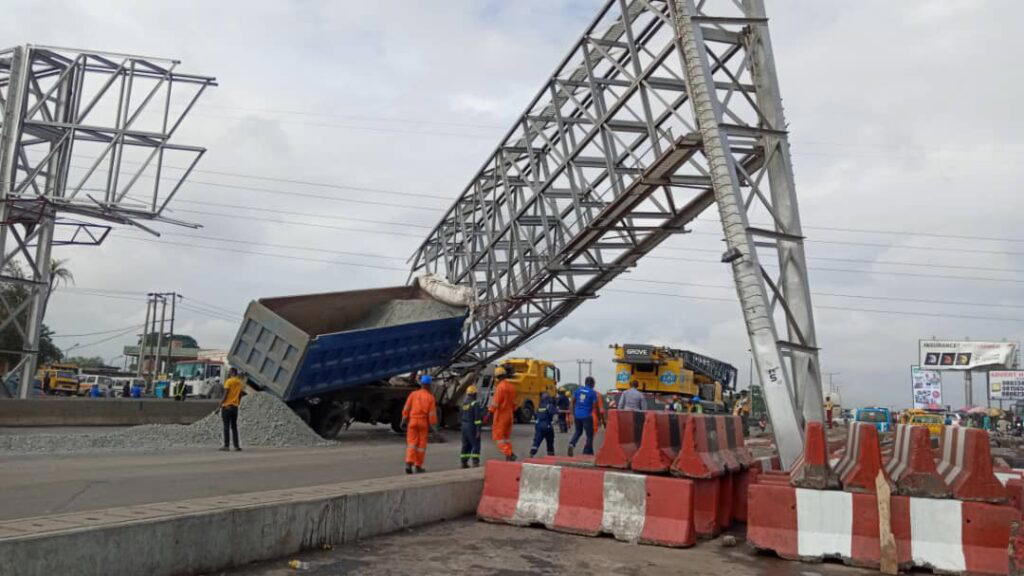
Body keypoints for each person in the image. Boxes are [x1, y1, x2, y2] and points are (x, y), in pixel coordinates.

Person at [402, 374, 439, 474]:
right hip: (423, 423)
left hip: (413, 422)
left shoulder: (413, 394)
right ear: (429, 385)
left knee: (411, 444)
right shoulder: (430, 397)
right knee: (421, 446)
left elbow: (407, 407)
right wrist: (434, 427)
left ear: (421, 384)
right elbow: (432, 414)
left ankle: (408, 464)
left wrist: (404, 419)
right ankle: (418, 466)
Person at [489, 366, 518, 461]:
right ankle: (509, 455)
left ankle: (509, 454)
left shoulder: (500, 387)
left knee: (498, 438)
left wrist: (489, 412)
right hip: (510, 415)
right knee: (506, 438)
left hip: (501, 416)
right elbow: (515, 404)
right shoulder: (512, 387)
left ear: (497, 377)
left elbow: (495, 403)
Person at [568, 377, 599, 456]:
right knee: (589, 435)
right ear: (592, 384)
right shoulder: (592, 392)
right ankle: (587, 452)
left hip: (577, 415)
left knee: (578, 432)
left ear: (585, 383)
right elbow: (595, 406)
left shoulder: (578, 390)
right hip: (586, 416)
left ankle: (572, 444)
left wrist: (572, 413)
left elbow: (572, 402)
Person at [219, 368, 244, 452]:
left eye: (229, 372)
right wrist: (237, 403)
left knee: (226, 426)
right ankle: (236, 446)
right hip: (235, 407)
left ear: (233, 372)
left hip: (227, 406)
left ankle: (226, 446)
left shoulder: (229, 381)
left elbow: (225, 394)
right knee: (234, 426)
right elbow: (240, 394)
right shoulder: (239, 382)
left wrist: (219, 406)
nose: (229, 373)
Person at [459, 385, 484, 468]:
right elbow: (477, 419)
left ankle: (463, 462)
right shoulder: (475, 404)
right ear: (473, 394)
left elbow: (460, 415)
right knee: (475, 444)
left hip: (464, 426)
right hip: (471, 426)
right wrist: (478, 430)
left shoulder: (463, 404)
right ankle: (475, 462)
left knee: (465, 444)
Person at [529, 392, 558, 457]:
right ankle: (550, 454)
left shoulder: (539, 406)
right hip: (547, 426)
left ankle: (532, 453)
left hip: (538, 426)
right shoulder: (550, 405)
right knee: (550, 440)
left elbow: (535, 415)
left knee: (537, 440)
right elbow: (554, 413)